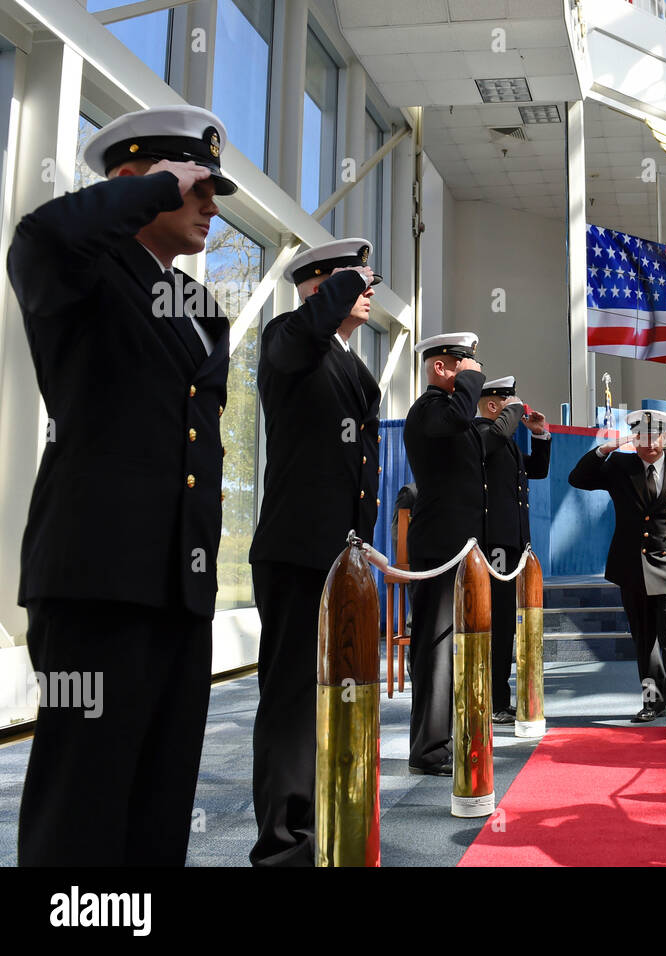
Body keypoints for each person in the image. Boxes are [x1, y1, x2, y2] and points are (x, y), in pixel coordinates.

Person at [7, 105, 235, 865]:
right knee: (84, 800)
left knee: (160, 800)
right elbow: (39, 236)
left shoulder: (198, 309)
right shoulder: (80, 272)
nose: (210, 205)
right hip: (97, 585)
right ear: (139, 182)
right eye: (196, 187)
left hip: (178, 586)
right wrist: (152, 188)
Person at [246, 238, 382, 866]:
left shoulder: (352, 366)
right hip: (297, 550)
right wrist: (334, 294)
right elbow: (298, 338)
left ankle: (325, 817)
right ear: (324, 284)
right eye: (361, 276)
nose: (372, 286)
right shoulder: (288, 339)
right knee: (293, 699)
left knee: (341, 690)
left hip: (342, 557)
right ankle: (283, 844)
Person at [568, 409, 666, 727]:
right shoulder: (619, 466)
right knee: (644, 640)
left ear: (664, 437)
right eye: (642, 435)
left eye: (655, 434)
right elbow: (578, 478)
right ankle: (652, 700)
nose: (650, 441)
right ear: (634, 438)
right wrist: (604, 449)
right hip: (633, 566)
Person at [403, 333, 485, 775]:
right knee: (434, 647)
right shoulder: (430, 410)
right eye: (465, 364)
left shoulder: (453, 412)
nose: (473, 370)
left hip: (459, 545)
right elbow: (455, 421)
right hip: (439, 546)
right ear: (441, 368)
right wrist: (472, 383)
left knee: (452, 644)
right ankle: (429, 749)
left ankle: (444, 737)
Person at [475, 376, 551, 724]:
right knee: (498, 623)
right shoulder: (479, 434)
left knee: (507, 622)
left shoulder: (504, 442)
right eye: (511, 404)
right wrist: (511, 416)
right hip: (494, 543)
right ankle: (493, 700)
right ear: (493, 405)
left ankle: (498, 697)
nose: (519, 410)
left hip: (513, 542)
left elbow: (535, 469)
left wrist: (539, 434)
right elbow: (489, 445)